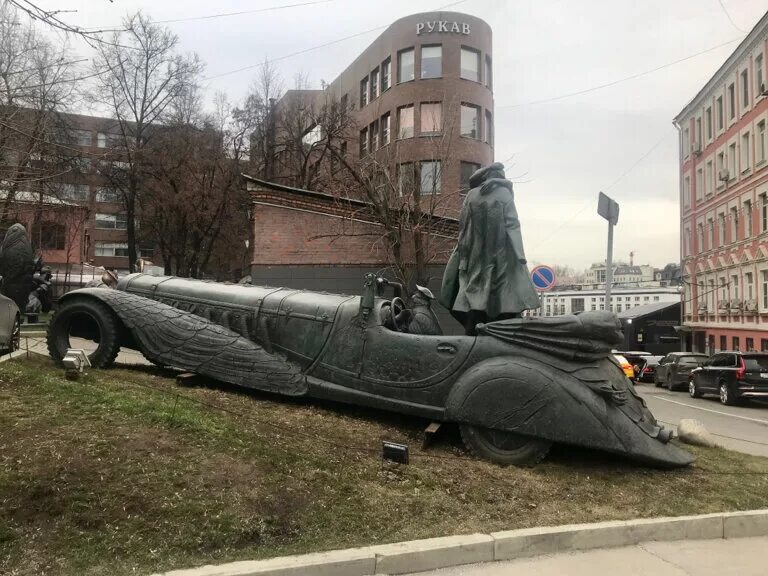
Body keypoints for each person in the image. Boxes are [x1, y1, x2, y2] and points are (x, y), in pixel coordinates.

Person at [439, 162, 539, 335]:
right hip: (500, 252)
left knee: (473, 288)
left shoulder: (471, 195)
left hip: (474, 252)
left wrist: (463, 252)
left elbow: (463, 226)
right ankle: (502, 330)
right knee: (501, 291)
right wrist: (519, 254)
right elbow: (512, 224)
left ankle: (472, 330)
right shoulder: (504, 194)